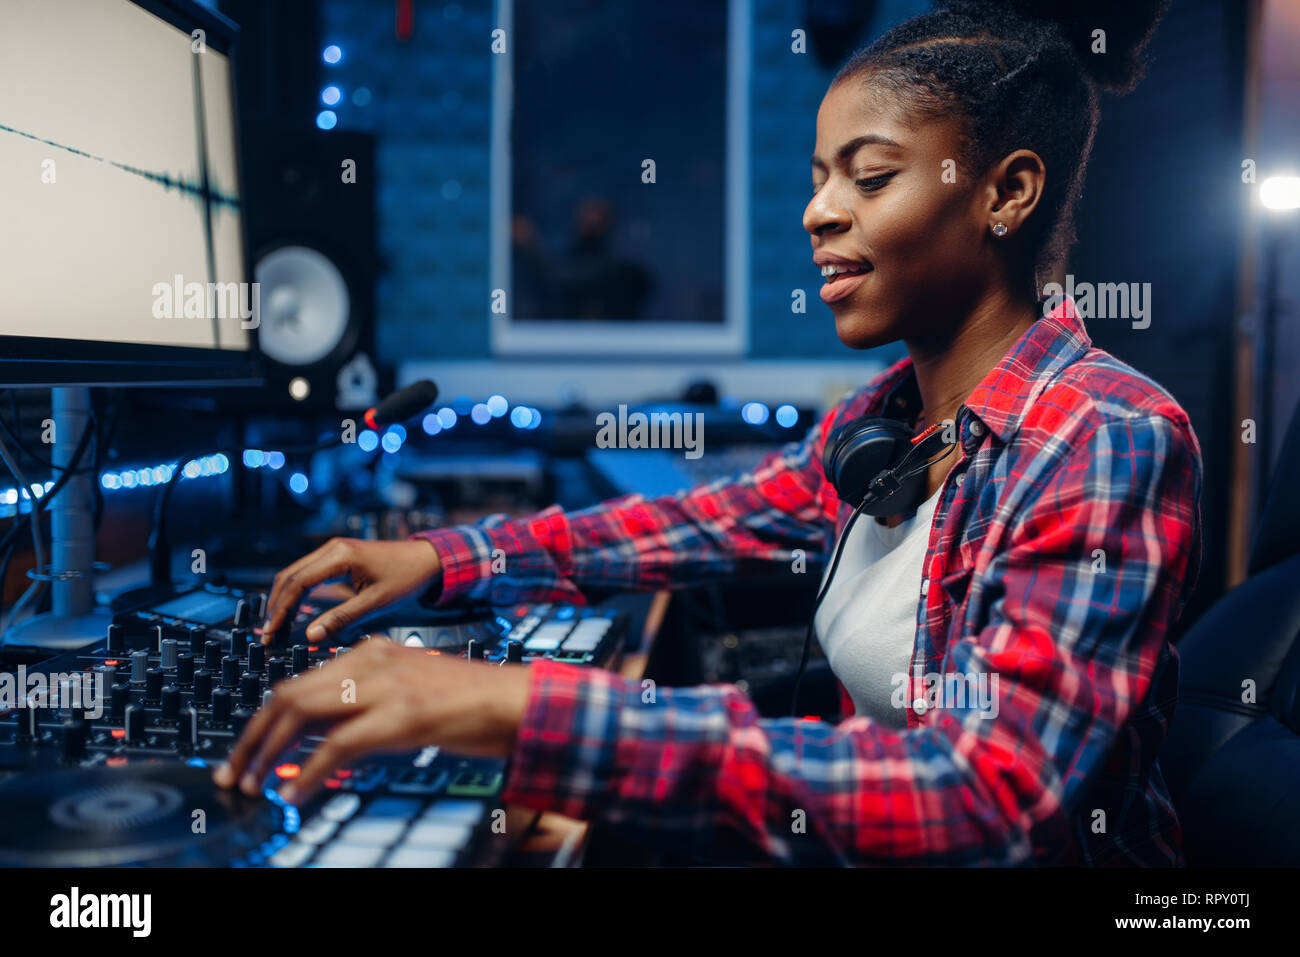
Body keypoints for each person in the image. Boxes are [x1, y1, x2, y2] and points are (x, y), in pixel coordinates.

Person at [216, 0, 1201, 866]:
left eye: (868, 177)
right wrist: (443, 557)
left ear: (1006, 193)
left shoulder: (1104, 437)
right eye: (819, 177)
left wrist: (512, 706)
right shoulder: (880, 422)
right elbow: (685, 527)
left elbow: (985, 799)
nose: (818, 212)